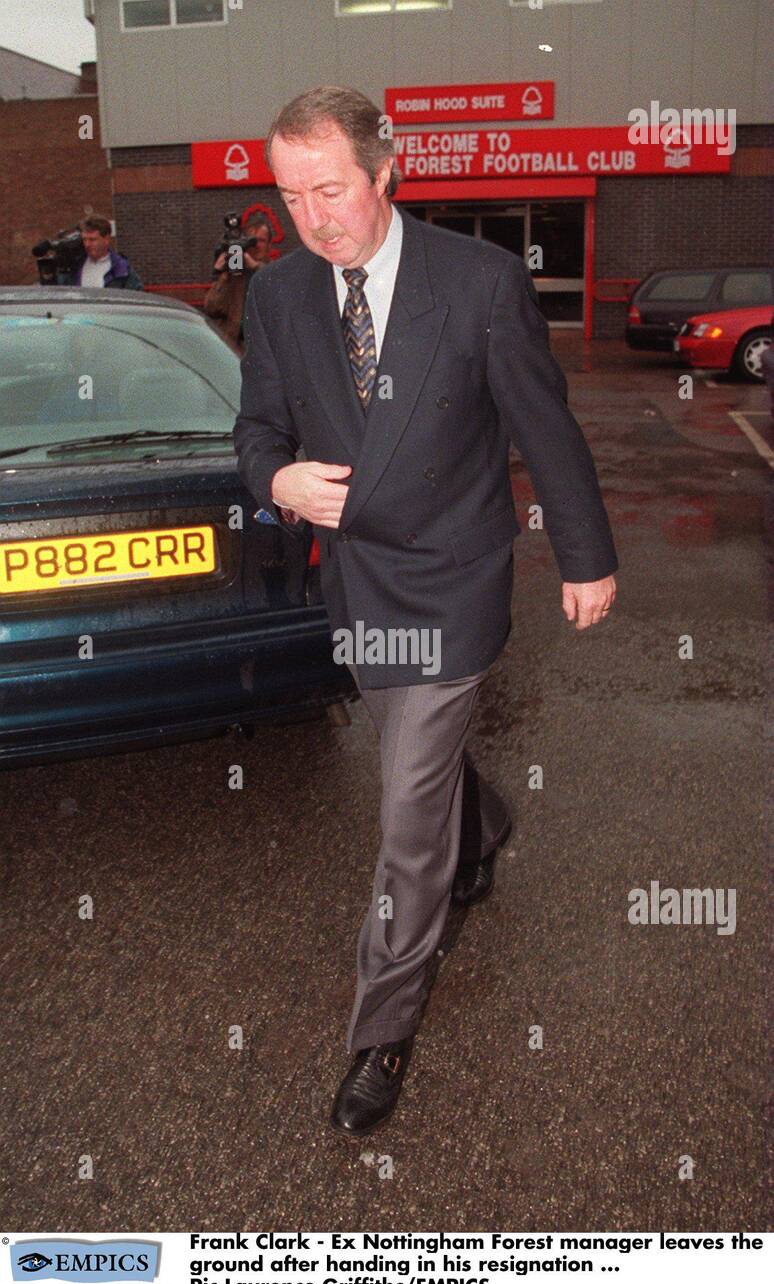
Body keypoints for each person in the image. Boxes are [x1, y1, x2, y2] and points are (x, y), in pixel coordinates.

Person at [234, 86, 618, 1139]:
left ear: (384, 170)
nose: (312, 219)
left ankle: (382, 1030)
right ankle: (483, 826)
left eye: (330, 190)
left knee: (406, 808)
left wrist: (585, 556)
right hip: (361, 585)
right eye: (289, 196)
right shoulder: (278, 294)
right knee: (426, 763)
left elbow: (544, 426)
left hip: (452, 579)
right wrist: (277, 481)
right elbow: (257, 427)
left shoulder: (480, 281)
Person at [203, 214, 273, 351]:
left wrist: (256, 267)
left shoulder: (276, 272)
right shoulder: (234, 274)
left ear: (269, 245)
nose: (256, 245)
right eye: (251, 241)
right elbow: (211, 308)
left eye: (261, 241)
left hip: (265, 347)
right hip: (235, 347)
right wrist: (221, 275)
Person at [55, 214, 143, 289]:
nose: (87, 244)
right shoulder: (74, 268)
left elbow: (136, 298)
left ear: (106, 239)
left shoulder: (122, 270)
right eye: (84, 239)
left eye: (92, 239)